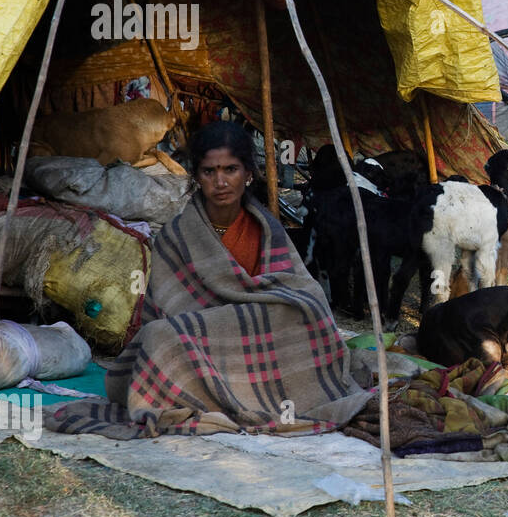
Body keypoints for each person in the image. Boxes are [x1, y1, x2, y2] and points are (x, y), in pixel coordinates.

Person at [46, 121, 375, 439]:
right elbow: (165, 311)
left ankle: (264, 394)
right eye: (209, 171)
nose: (221, 181)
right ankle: (210, 391)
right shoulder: (176, 236)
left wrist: (268, 313)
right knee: (159, 336)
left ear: (248, 174)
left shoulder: (267, 229)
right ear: (197, 177)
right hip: (205, 341)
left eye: (230, 169)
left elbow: (296, 288)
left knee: (306, 314)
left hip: (262, 338)